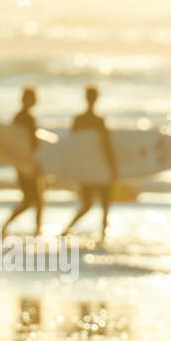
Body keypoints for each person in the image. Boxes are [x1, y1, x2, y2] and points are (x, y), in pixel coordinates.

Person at [60, 84, 118, 241]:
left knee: (87, 204)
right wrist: (113, 167)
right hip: (100, 166)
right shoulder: (99, 121)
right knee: (105, 205)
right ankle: (102, 236)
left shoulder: (78, 120)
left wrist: (72, 166)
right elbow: (106, 146)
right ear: (96, 99)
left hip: (85, 168)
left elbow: (72, 145)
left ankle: (66, 231)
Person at [1, 85, 45, 235]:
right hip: (28, 163)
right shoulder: (26, 118)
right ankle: (34, 232)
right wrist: (35, 162)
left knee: (32, 200)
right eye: (32, 97)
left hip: (22, 163)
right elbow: (30, 143)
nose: (35, 100)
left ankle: (8, 227)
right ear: (25, 99)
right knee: (34, 200)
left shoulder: (18, 117)